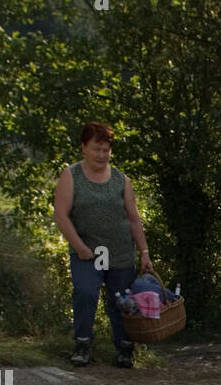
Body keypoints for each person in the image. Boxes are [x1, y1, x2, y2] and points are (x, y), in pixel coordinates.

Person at [53, 122, 153, 368]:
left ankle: (125, 349)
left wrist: (144, 252)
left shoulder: (121, 180)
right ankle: (83, 345)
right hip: (88, 252)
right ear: (84, 148)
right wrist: (79, 246)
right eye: (96, 149)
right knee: (86, 292)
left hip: (119, 251)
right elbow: (61, 215)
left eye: (106, 150)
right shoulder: (71, 175)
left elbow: (133, 218)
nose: (101, 155)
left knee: (122, 301)